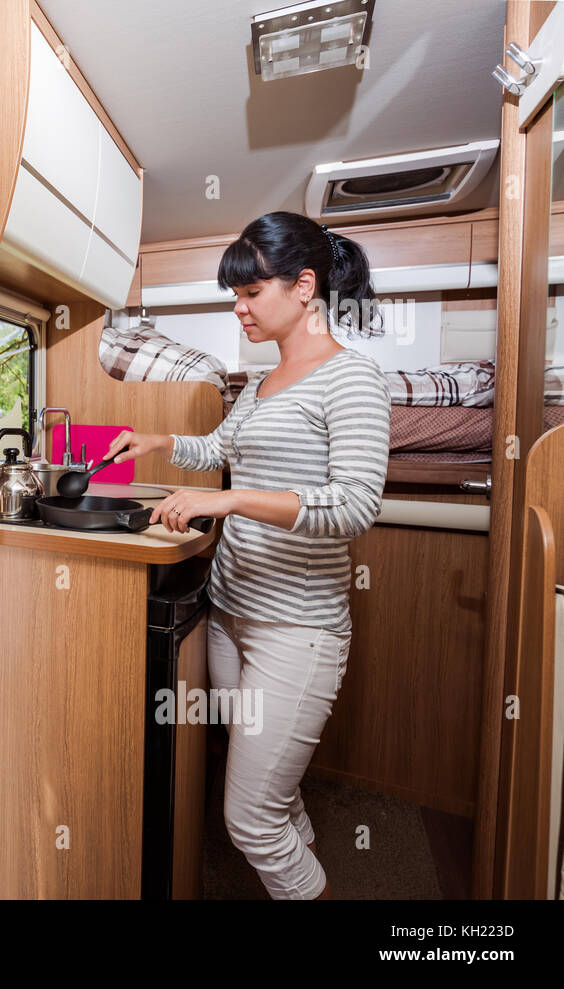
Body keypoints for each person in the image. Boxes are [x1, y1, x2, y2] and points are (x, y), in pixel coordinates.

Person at [105, 211, 391, 899]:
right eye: (235, 295)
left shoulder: (351, 380)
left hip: (298, 629)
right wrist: (157, 440)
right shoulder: (263, 384)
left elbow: (354, 505)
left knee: (251, 817)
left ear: (303, 286)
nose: (237, 308)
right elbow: (218, 451)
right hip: (231, 614)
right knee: (277, 789)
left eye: (250, 292)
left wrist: (230, 503)